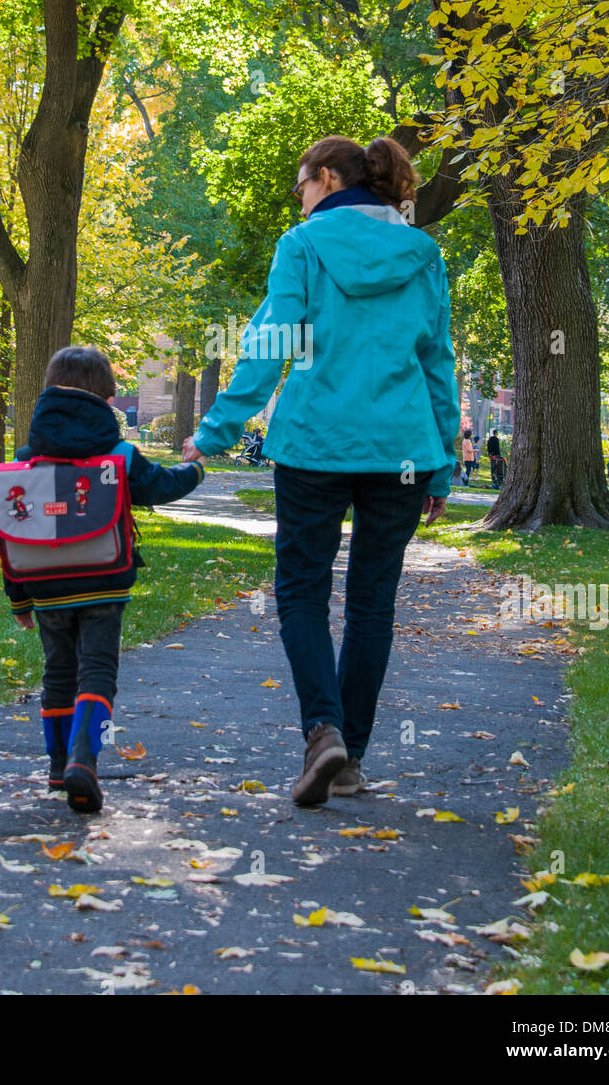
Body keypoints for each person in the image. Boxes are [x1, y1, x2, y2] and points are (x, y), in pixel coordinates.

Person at [183, 134, 459, 807]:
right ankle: (351, 758)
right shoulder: (423, 253)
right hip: (401, 451)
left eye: (302, 184)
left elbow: (270, 339)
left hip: (313, 446)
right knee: (372, 604)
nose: (299, 198)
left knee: (301, 591)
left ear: (328, 179)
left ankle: (322, 733)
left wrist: (217, 430)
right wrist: (443, 464)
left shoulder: (303, 246)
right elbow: (436, 359)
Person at [3, 346, 205, 813]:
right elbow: (162, 487)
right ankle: (84, 760)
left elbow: (14, 532)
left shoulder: (27, 457)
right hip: (103, 580)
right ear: (108, 396)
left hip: (46, 585)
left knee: (58, 672)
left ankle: (58, 766)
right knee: (97, 671)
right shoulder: (120, 454)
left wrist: (19, 600)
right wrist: (194, 469)